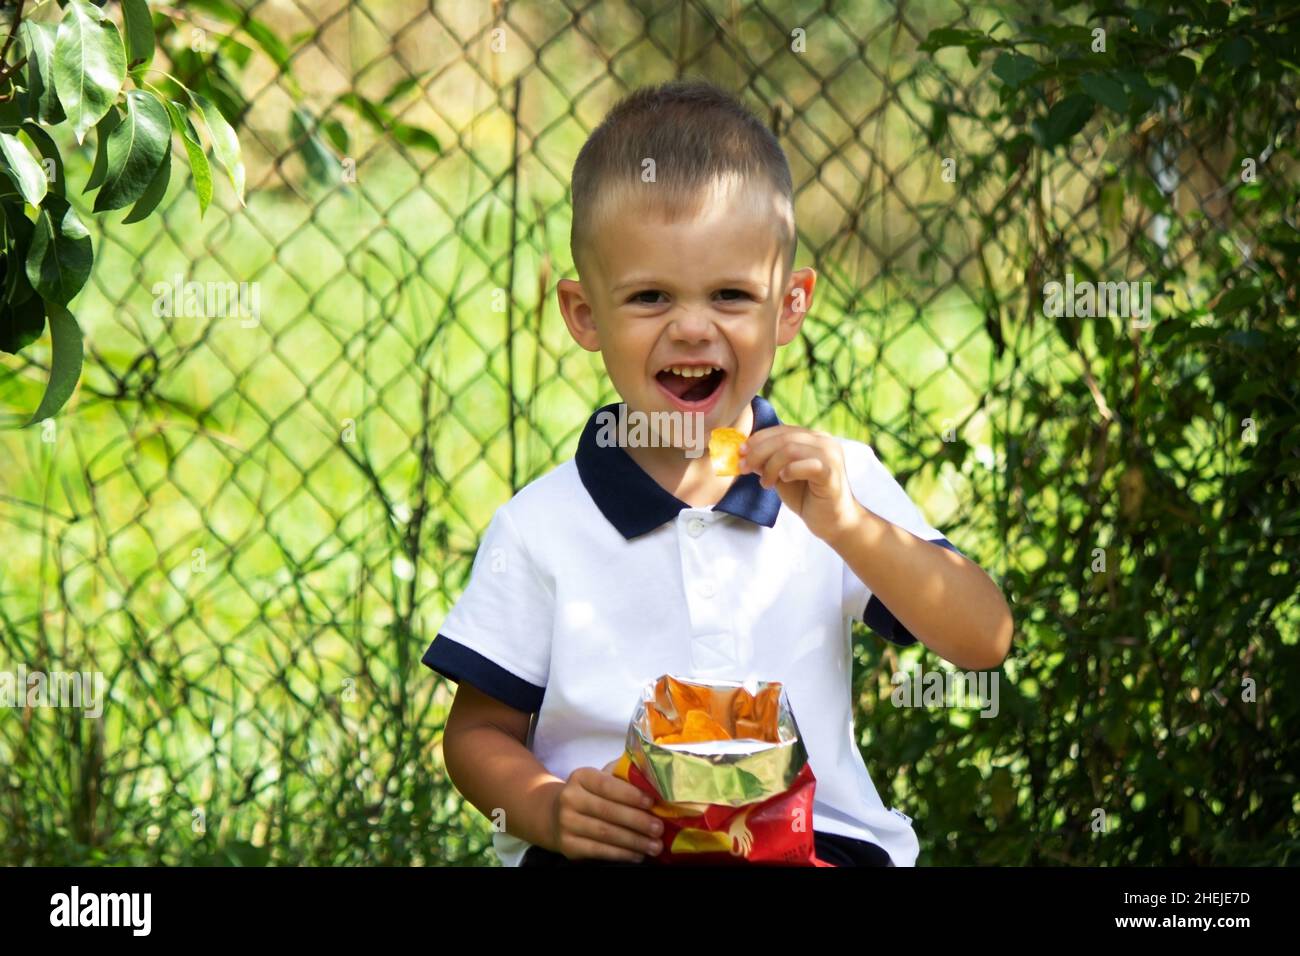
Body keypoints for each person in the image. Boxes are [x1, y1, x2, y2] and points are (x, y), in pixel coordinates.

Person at [422, 79, 1013, 868]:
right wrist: (547, 808)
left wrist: (849, 526)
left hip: (808, 844)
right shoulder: (542, 527)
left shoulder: (836, 485)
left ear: (790, 306)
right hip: (616, 849)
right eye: (650, 296)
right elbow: (476, 735)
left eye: (732, 295)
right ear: (584, 314)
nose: (692, 327)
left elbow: (984, 639)